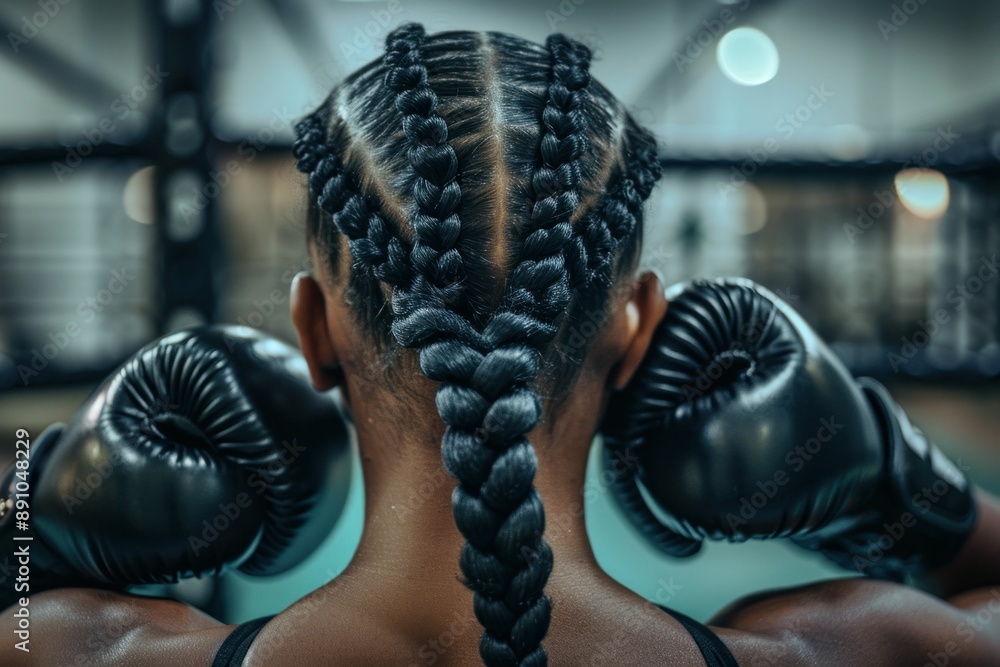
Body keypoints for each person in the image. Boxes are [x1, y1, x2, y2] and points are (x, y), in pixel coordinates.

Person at [4, 24, 1000, 667]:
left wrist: (37, 500)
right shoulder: (850, 649)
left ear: (312, 328)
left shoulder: (94, 652)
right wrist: (908, 497)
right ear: (640, 322)